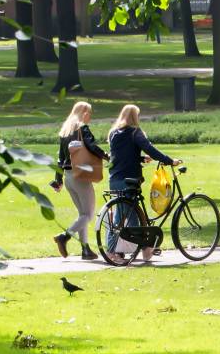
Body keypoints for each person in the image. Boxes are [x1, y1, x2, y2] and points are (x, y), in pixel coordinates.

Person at [105, 104, 180, 263]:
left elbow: (120, 155)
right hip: (130, 180)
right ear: (134, 117)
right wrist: (169, 160)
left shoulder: (113, 133)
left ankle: (143, 249)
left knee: (128, 216)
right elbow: (150, 149)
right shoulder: (135, 132)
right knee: (124, 217)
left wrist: (139, 158)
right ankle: (116, 252)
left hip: (115, 179)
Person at [52, 102, 108, 260]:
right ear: (83, 113)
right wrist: (107, 156)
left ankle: (86, 250)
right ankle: (64, 236)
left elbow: (60, 159)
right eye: (89, 113)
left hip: (68, 177)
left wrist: (58, 180)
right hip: (81, 175)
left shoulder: (65, 130)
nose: (90, 116)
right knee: (89, 215)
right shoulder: (82, 128)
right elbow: (91, 146)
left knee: (82, 214)